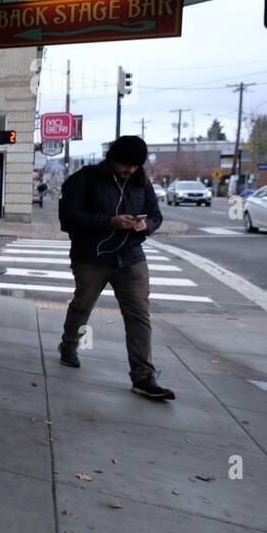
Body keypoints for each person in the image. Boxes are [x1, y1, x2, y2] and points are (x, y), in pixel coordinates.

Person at [57, 136, 175, 400]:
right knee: (82, 305)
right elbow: (68, 218)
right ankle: (69, 345)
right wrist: (110, 221)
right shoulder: (84, 179)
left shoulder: (141, 183)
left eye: (135, 166)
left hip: (131, 257)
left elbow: (155, 215)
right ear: (112, 158)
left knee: (139, 315)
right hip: (91, 257)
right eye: (125, 164)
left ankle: (143, 376)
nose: (130, 170)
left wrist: (147, 226)